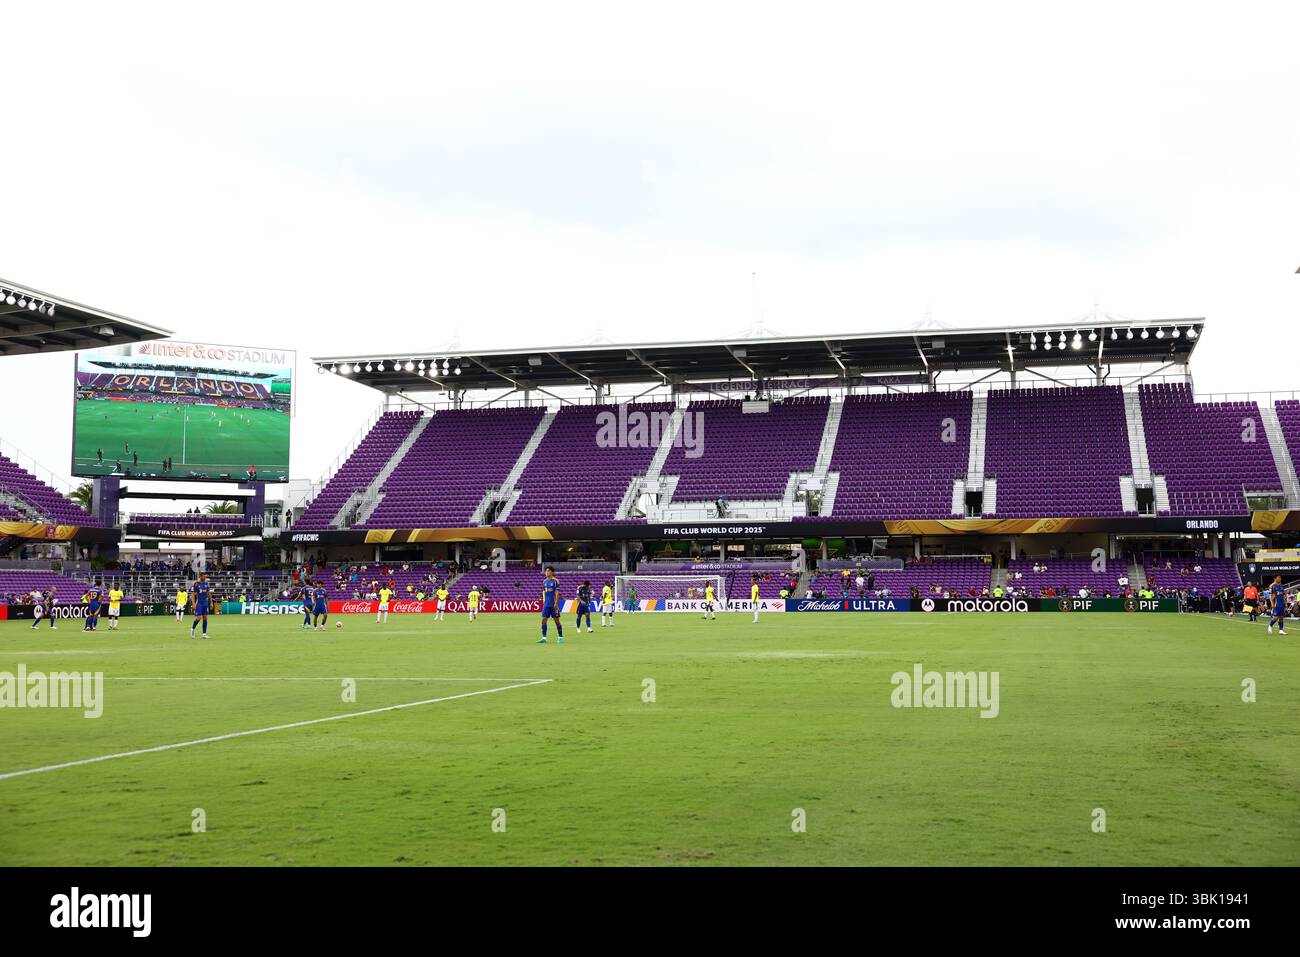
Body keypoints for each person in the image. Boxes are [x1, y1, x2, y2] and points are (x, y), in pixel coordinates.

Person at [536, 566, 564, 643]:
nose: (546, 572)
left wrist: (556, 603)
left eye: (548, 571)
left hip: (553, 604)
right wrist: (543, 600)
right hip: (546, 604)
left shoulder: (555, 581)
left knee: (557, 621)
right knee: (543, 620)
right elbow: (544, 592)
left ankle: (560, 637)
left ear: (552, 572)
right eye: (546, 571)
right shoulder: (544, 581)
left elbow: (557, 593)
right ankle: (544, 638)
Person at [190, 574, 211, 639]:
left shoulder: (206, 584)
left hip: (205, 603)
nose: (205, 577)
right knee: (199, 618)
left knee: (205, 618)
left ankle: (204, 634)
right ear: (200, 576)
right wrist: (193, 604)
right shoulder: (196, 584)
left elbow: (208, 593)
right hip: (199, 603)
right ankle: (192, 629)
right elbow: (193, 595)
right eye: (204, 576)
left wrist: (211, 602)